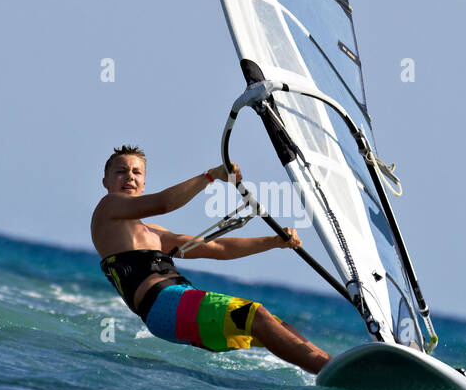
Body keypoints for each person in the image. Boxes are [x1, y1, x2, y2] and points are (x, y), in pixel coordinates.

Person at [91, 144, 331, 374]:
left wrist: (274, 242)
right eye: (121, 172)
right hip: (165, 305)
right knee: (256, 315)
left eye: (136, 172)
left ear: (144, 183)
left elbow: (218, 248)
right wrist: (211, 176)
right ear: (106, 182)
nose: (130, 177)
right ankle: (329, 369)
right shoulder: (107, 208)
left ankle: (332, 367)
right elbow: (164, 203)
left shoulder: (152, 233)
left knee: (276, 327)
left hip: (178, 307)